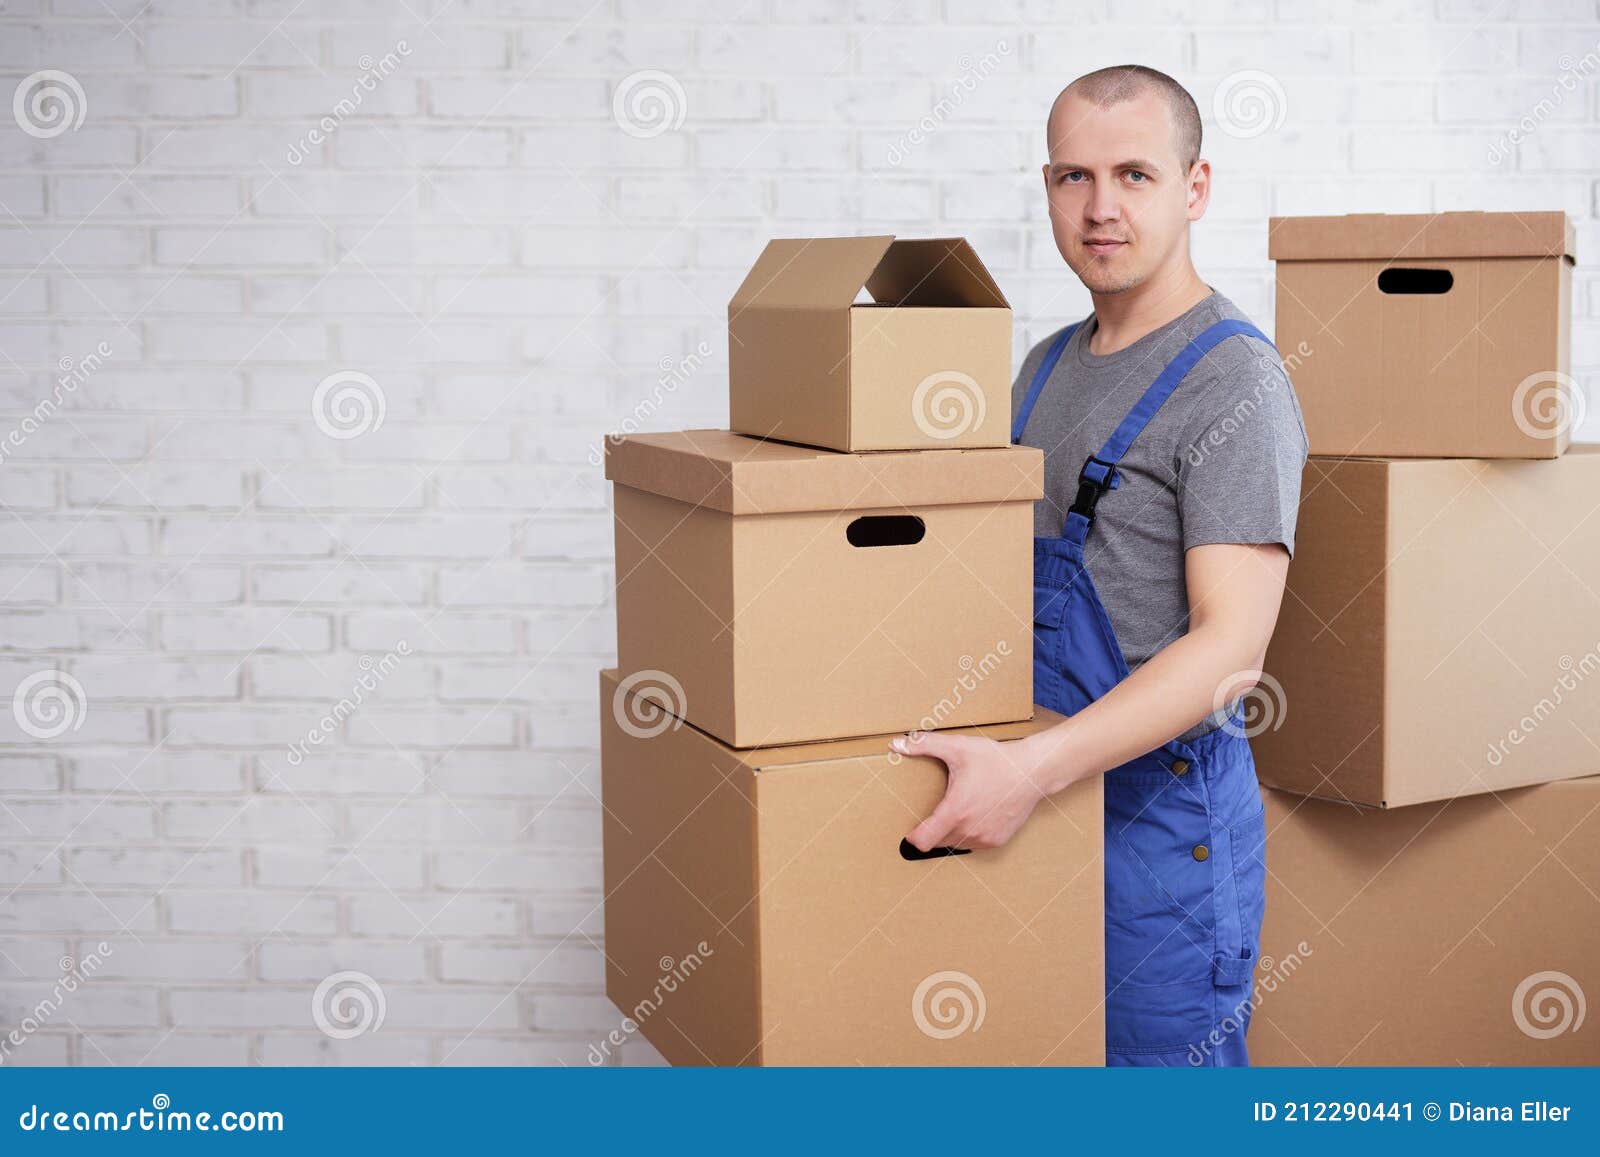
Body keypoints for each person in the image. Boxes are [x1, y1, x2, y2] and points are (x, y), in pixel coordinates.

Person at [894, 64, 1310, 1067]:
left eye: (1132, 173)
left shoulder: (1233, 380)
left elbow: (1230, 649)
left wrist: (1029, 772)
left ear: (1194, 187)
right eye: (1071, 177)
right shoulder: (1040, 366)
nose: (1099, 208)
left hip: (1156, 841)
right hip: (1031, 807)